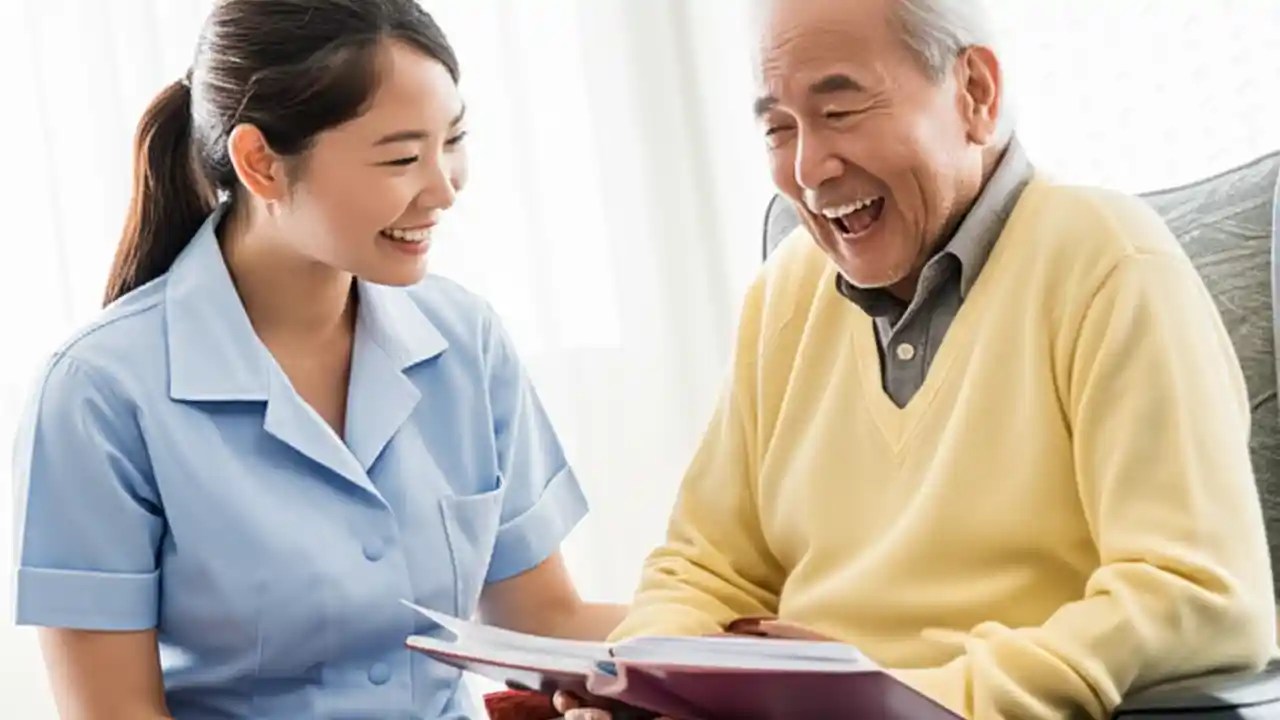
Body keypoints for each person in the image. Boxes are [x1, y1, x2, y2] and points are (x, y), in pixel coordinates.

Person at [560, 0, 1277, 717]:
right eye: (779, 128)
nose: (808, 169)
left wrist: (903, 700)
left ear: (975, 94)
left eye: (840, 113)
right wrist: (647, 678)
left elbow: (1197, 597)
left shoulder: (1110, 263)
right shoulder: (785, 293)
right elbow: (705, 568)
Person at [10, 1, 625, 718]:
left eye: (453, 141)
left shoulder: (466, 339)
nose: (444, 189)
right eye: (401, 158)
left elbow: (544, 620)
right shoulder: (97, 393)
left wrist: (727, 643)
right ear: (261, 164)